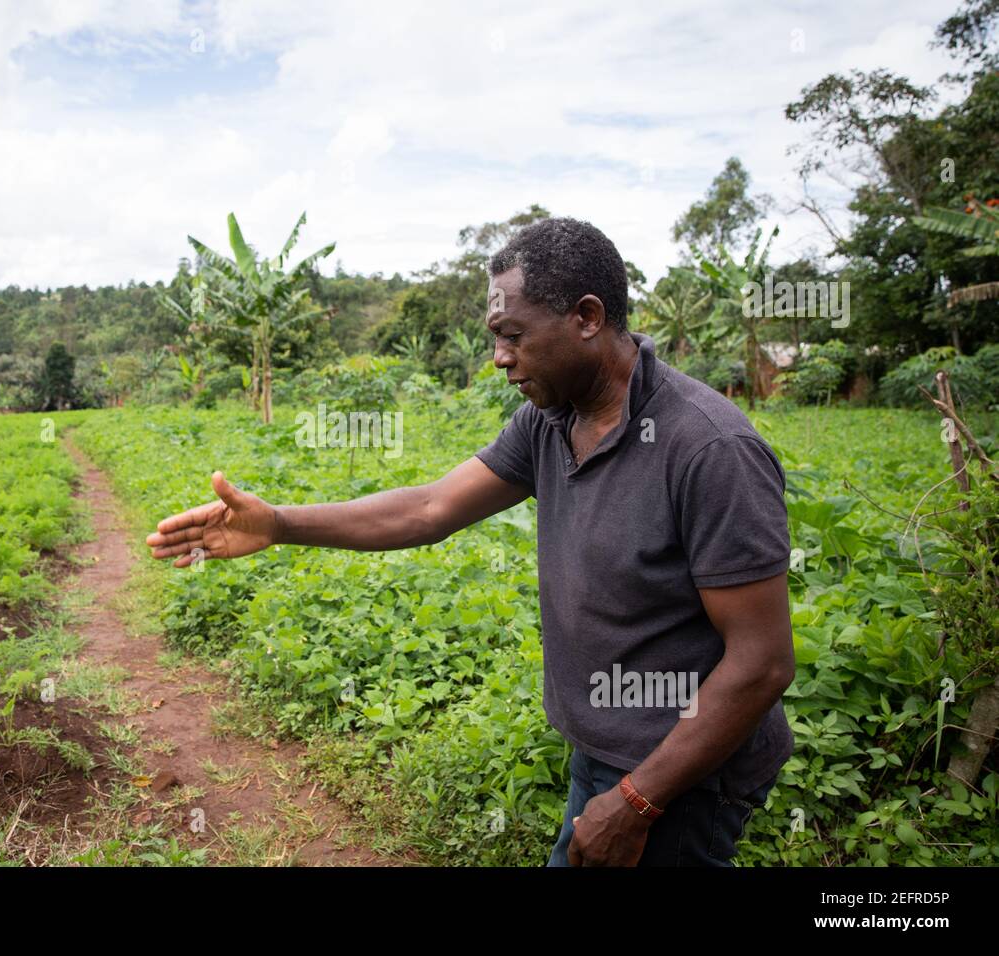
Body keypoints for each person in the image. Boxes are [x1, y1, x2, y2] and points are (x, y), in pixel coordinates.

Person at [146, 216, 795, 867]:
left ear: (587, 317)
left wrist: (638, 801)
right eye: (496, 337)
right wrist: (281, 523)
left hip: (685, 775)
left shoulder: (709, 447)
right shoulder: (549, 420)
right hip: (605, 751)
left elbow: (761, 662)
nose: (499, 358)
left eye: (513, 336)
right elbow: (429, 508)